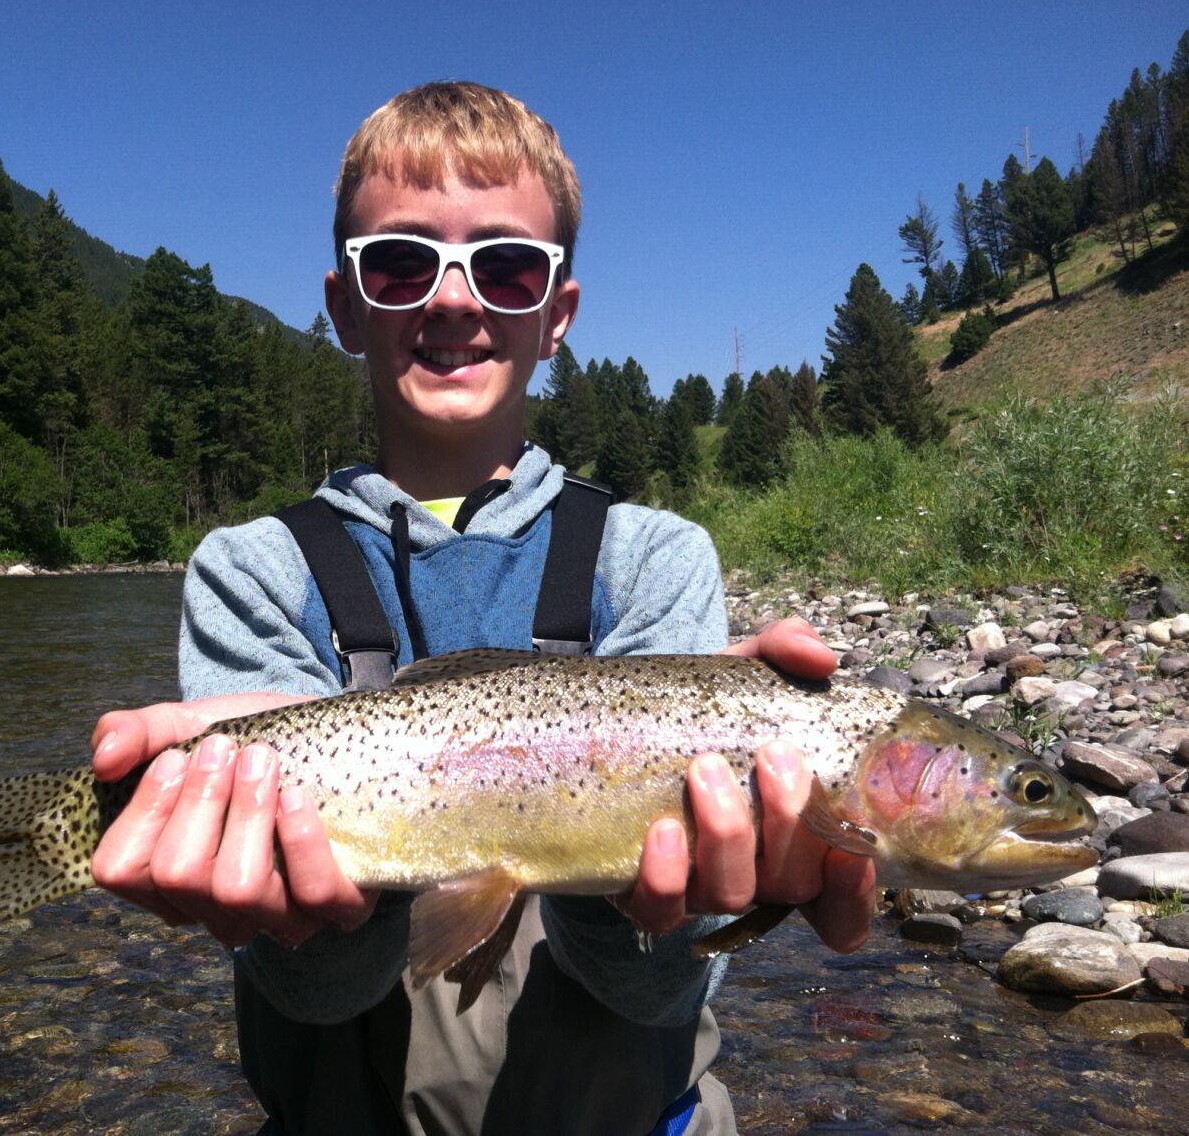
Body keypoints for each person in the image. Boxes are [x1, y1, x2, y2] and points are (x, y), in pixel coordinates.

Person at [88, 81, 874, 1136]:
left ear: (557, 315)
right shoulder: (254, 569)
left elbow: (650, 989)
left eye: (505, 266)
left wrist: (687, 896)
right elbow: (311, 993)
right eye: (402, 262)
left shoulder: (653, 560)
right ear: (344, 306)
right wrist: (289, 888)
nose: (453, 300)